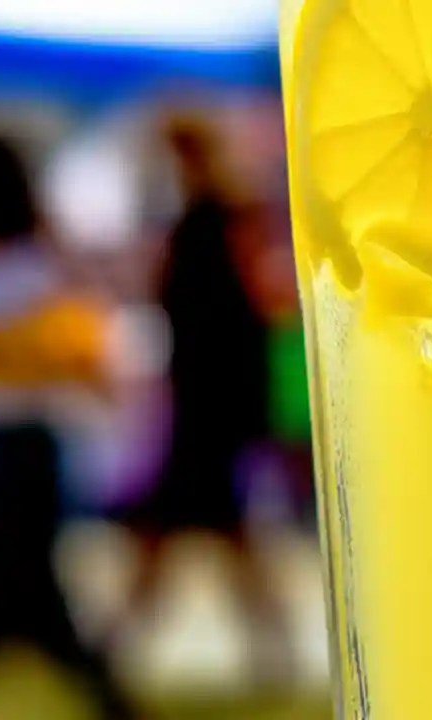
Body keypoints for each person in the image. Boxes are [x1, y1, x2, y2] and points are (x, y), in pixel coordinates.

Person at [0, 135, 135, 718]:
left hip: (6, 446)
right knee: (33, 600)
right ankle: (109, 698)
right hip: (32, 445)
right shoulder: (44, 261)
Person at [115, 115, 292, 681]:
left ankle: (116, 648)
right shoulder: (206, 221)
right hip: (205, 405)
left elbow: (255, 310)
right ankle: (271, 652)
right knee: (214, 534)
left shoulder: (221, 222)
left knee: (180, 532)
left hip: (212, 407)